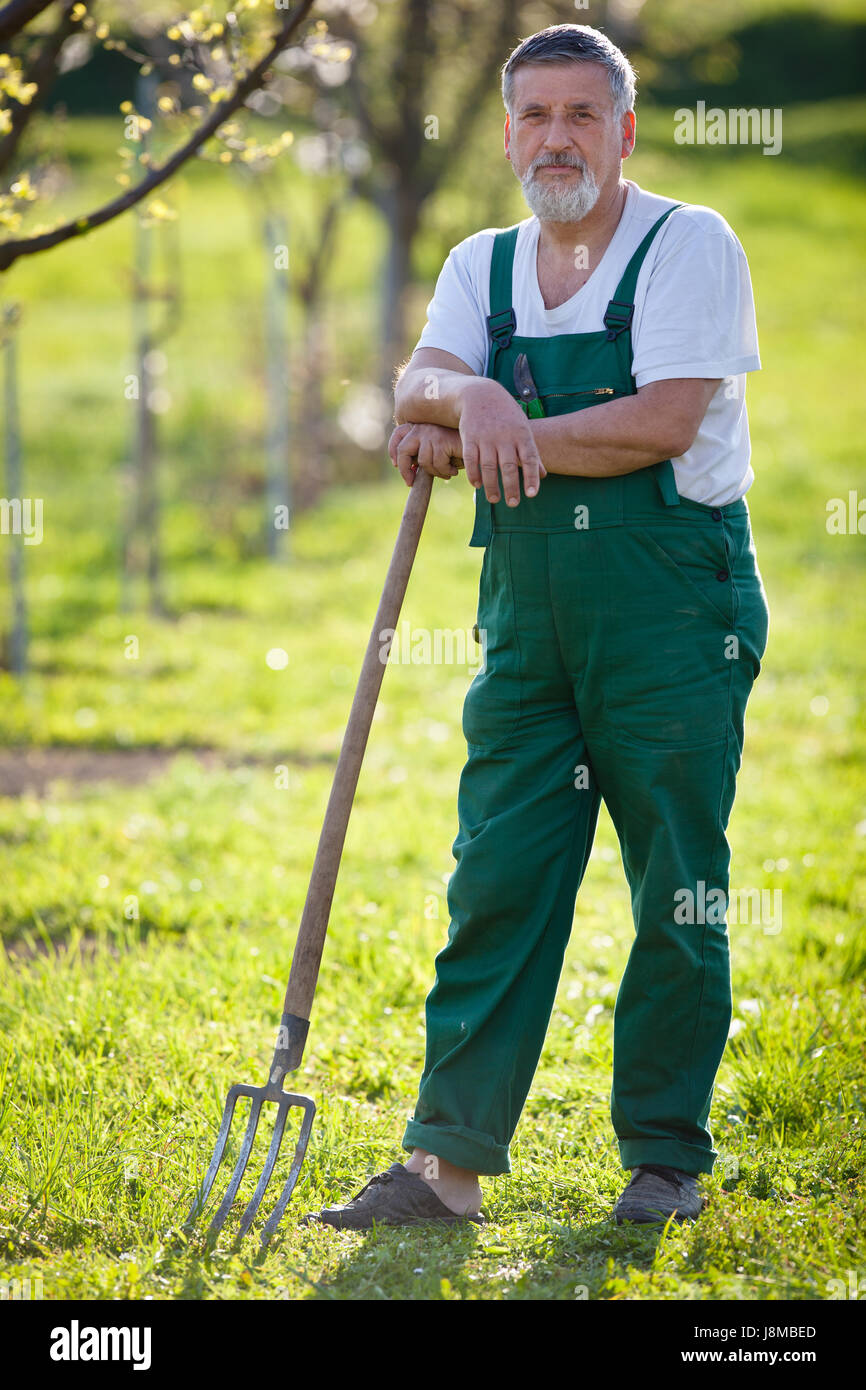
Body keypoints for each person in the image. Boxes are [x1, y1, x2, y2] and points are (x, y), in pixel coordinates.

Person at [304, 22, 769, 1230]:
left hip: (672, 612)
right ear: (507, 134)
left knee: (675, 879)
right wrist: (467, 394)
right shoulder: (484, 262)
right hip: (526, 620)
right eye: (532, 116)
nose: (553, 136)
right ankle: (443, 1164)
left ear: (621, 129)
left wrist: (484, 433)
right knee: (497, 870)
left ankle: (662, 1155)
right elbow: (416, 380)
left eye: (579, 114)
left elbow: (661, 419)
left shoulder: (685, 244)